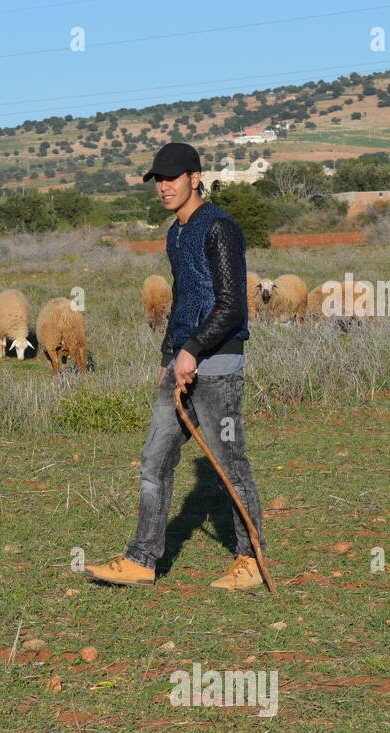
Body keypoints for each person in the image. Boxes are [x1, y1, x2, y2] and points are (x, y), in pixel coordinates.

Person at [85, 142, 267, 591]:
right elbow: (185, 299)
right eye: (158, 180)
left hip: (219, 366)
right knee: (154, 459)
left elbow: (231, 308)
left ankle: (250, 561)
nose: (163, 187)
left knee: (229, 463)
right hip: (180, 363)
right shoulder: (176, 232)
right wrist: (171, 355)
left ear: (195, 177)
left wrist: (194, 350)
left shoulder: (220, 229)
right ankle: (142, 560)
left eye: (171, 178)